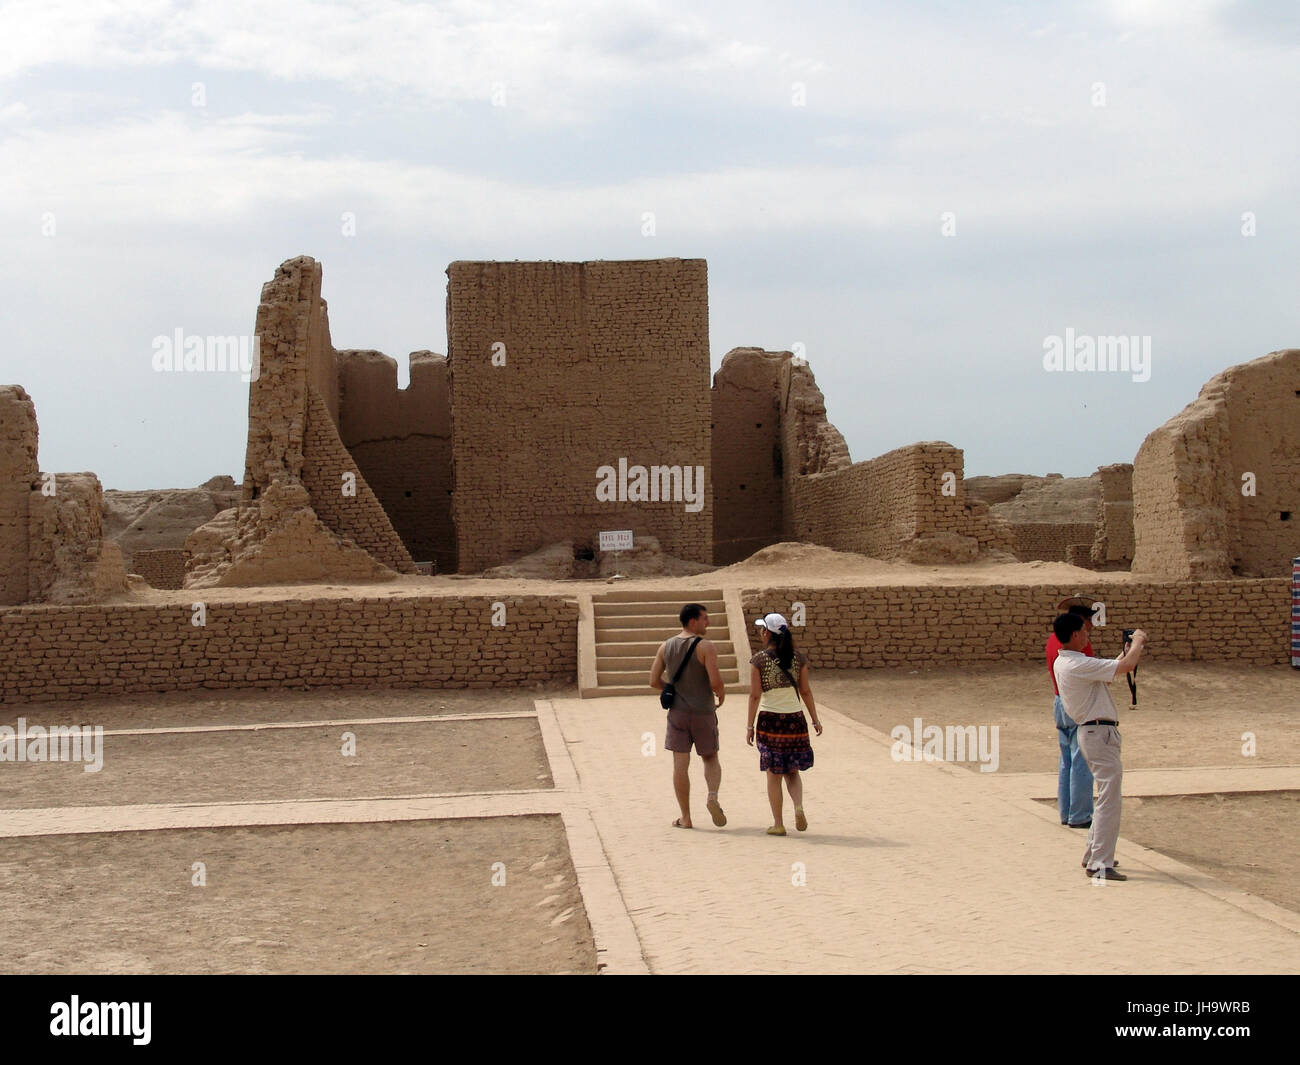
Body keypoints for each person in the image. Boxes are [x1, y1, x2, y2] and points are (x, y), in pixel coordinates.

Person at [1051, 612, 1146, 881]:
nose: (1087, 636)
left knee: (1105, 796)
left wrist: (1124, 653)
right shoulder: (1075, 664)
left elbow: (1107, 672)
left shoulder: (1069, 662)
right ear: (1074, 635)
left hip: (1094, 732)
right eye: (1084, 631)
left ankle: (1094, 853)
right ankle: (1100, 862)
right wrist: (1138, 642)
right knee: (1109, 799)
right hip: (1098, 732)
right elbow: (1126, 667)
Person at [649, 603, 728, 830]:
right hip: (703, 711)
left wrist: (672, 688)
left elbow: (653, 680)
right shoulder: (706, 647)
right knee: (710, 757)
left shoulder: (665, 647)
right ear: (693, 621)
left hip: (678, 714)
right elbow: (715, 681)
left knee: (680, 764)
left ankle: (686, 817)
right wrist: (721, 694)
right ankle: (712, 796)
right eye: (704, 618)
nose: (708, 623)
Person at [746, 612, 823, 835]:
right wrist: (815, 719)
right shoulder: (799, 658)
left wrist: (749, 726)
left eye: (762, 629)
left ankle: (778, 823)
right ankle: (798, 807)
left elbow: (754, 696)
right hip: (795, 720)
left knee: (773, 773)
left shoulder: (759, 660)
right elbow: (806, 691)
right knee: (792, 770)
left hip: (770, 721)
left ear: (767, 632)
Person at [1046, 595, 1099, 828]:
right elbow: (1090, 673)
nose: (1091, 628)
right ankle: (1080, 815)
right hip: (1077, 704)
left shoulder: (1052, 640)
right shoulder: (1079, 646)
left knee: (1066, 760)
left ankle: (1066, 812)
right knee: (1081, 760)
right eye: (1089, 622)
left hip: (1059, 700)